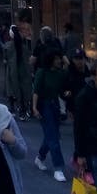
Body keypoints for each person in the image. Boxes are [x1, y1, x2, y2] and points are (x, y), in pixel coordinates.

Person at [32, 51, 70, 181]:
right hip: (44, 105)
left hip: (55, 106)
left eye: (60, 58)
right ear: (51, 60)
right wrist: (34, 107)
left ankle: (40, 157)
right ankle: (58, 168)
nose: (59, 61)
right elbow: (36, 91)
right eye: (57, 59)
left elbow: (61, 90)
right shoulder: (42, 72)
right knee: (53, 136)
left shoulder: (59, 74)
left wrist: (66, 94)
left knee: (52, 135)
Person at [73, 59, 97, 183]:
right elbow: (79, 127)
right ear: (94, 76)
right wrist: (80, 154)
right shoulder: (84, 97)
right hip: (92, 146)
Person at [3, 25, 32, 120]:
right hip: (23, 70)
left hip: (12, 71)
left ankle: (15, 108)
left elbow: (5, 59)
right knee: (24, 89)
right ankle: (25, 109)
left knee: (12, 90)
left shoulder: (7, 46)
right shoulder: (24, 47)